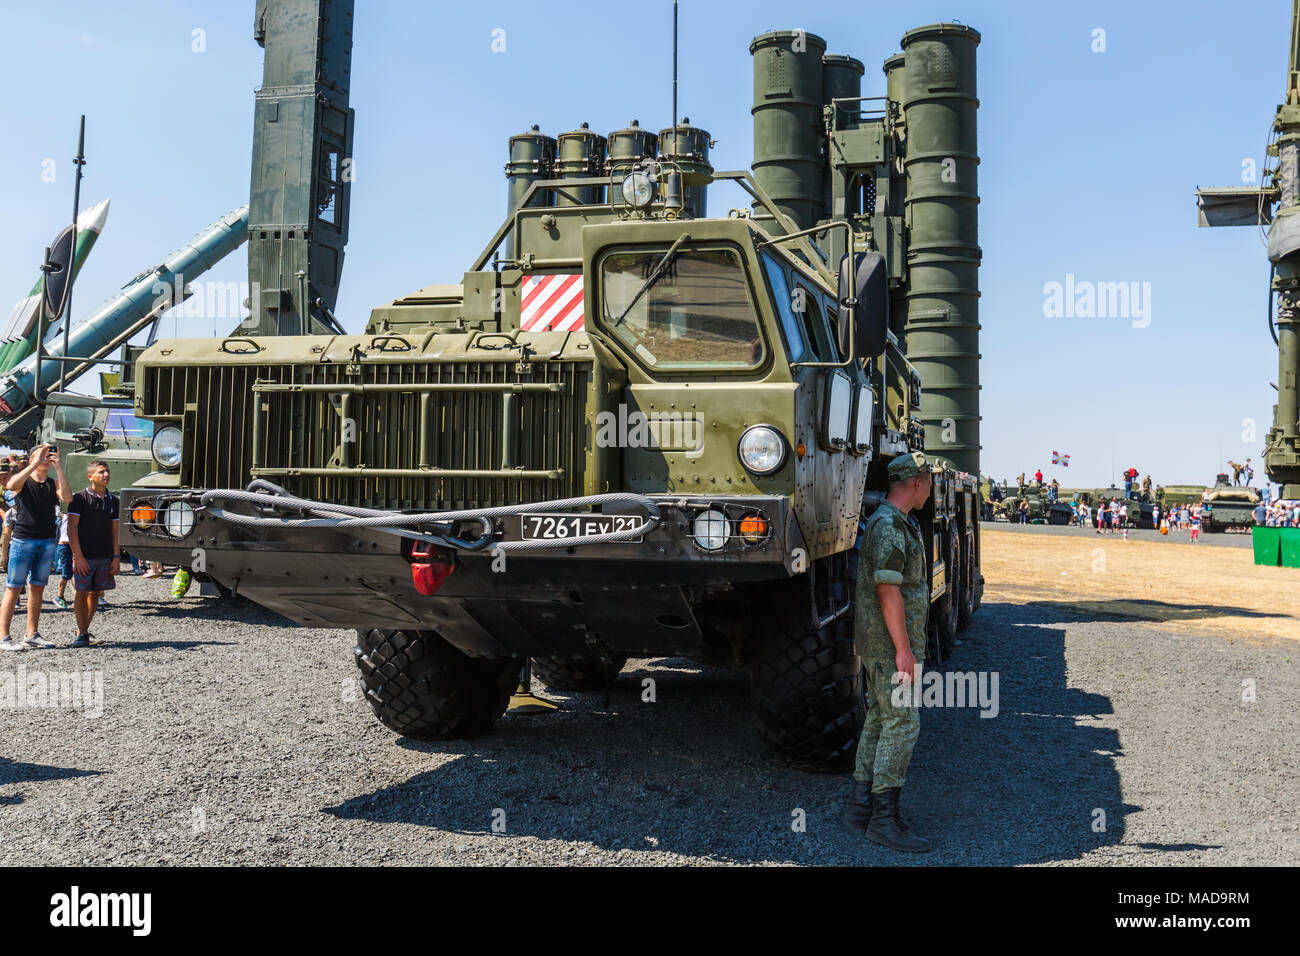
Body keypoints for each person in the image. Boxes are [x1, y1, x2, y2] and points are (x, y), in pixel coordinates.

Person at [843, 451, 933, 852]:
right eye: (928, 483)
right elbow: (888, 589)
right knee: (902, 724)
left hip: (883, 645)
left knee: (880, 719)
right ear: (915, 483)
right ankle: (884, 819)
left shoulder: (892, 522)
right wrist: (904, 651)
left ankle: (862, 808)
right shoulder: (890, 526)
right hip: (889, 646)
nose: (930, 490)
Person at [0, 445, 73, 651]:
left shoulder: (53, 483)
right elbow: (12, 485)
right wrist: (34, 463)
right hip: (23, 539)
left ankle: (31, 634)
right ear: (32, 458)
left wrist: (58, 467)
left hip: (46, 540)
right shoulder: (25, 481)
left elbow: (67, 498)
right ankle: (3, 636)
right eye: (41, 454)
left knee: (38, 587)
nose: (45, 458)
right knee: (13, 588)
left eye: (48, 455)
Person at [67, 460, 120, 648]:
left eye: (107, 471)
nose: (106, 474)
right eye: (101, 472)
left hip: (105, 556)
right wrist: (78, 556)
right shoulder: (79, 498)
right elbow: (71, 528)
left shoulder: (114, 500)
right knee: (81, 592)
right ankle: (82, 633)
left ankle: (83, 631)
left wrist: (116, 557)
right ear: (91, 476)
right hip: (85, 556)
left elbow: (115, 531)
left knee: (96, 593)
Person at [53, 509, 73, 609]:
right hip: (65, 545)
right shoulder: (67, 513)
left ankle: (78, 596)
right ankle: (59, 596)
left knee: (75, 571)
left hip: (72, 544)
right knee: (66, 573)